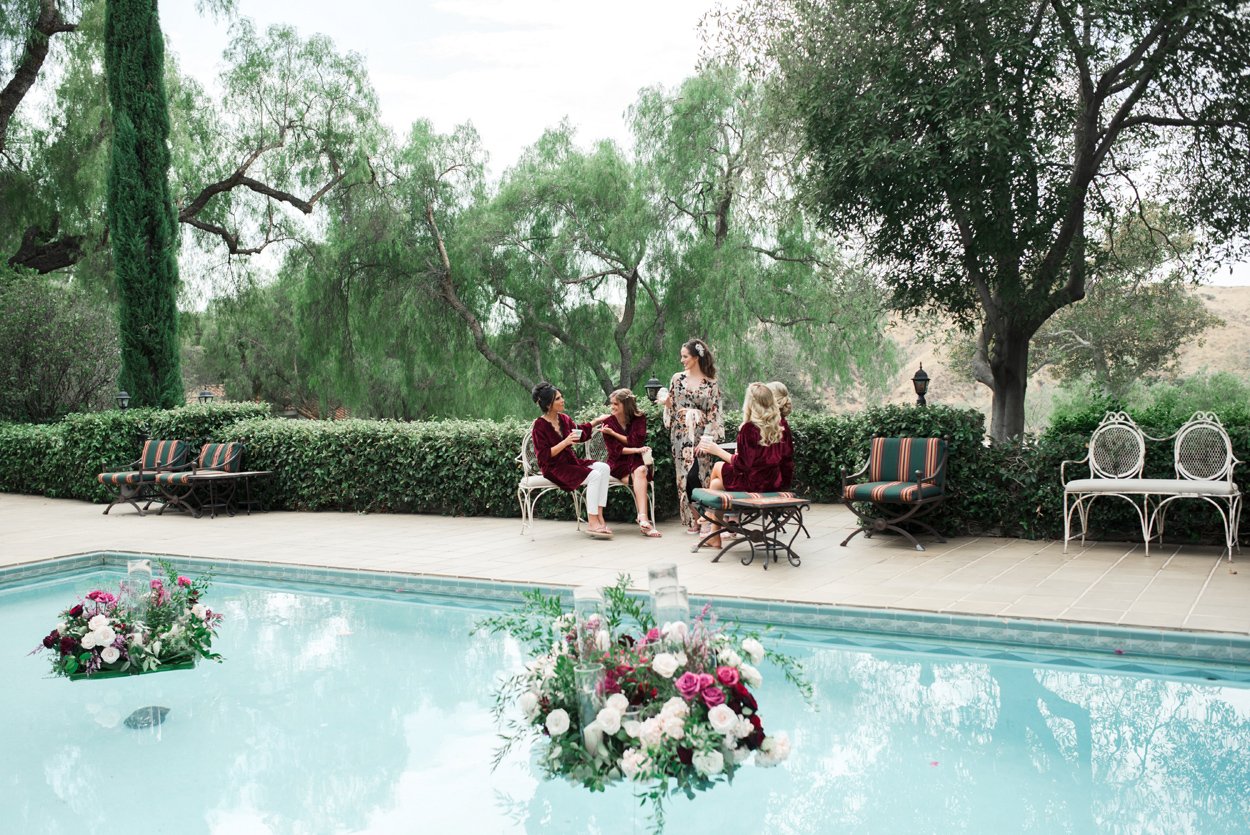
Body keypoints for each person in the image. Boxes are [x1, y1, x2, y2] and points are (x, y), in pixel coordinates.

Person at [698, 382, 787, 548]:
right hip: (772, 482)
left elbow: (742, 466)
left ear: (750, 404)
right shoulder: (778, 426)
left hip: (754, 484)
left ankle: (709, 512)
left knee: (717, 466)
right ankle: (713, 535)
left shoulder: (749, 429)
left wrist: (716, 450)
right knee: (717, 484)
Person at [530, 382, 614, 539]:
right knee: (595, 475)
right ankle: (592, 522)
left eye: (562, 397)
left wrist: (597, 421)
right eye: (558, 399)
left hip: (570, 462)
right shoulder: (539, 426)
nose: (563, 400)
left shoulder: (564, 419)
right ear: (548, 404)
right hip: (553, 467)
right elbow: (543, 456)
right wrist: (565, 442)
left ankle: (599, 516)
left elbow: (579, 434)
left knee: (604, 467)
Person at [662, 338, 723, 534]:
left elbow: (714, 414)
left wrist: (705, 439)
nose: (682, 360)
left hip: (701, 435)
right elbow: (672, 410)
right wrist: (668, 405)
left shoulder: (711, 383)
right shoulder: (676, 379)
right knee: (685, 477)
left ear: (696, 357)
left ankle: (706, 518)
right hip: (680, 435)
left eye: (685, 356)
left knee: (700, 475)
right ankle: (695, 519)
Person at [596, 388, 661, 538]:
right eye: (611, 404)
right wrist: (637, 450)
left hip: (636, 461)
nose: (612, 407)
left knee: (641, 471)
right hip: (617, 462)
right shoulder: (608, 422)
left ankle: (642, 517)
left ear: (626, 404)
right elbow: (615, 450)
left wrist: (615, 434)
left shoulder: (639, 418)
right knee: (640, 475)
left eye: (616, 404)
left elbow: (636, 441)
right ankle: (645, 522)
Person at [766, 381, 795, 491]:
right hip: (779, 476)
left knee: (718, 477)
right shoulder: (780, 422)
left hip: (775, 480)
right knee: (718, 481)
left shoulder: (776, 426)